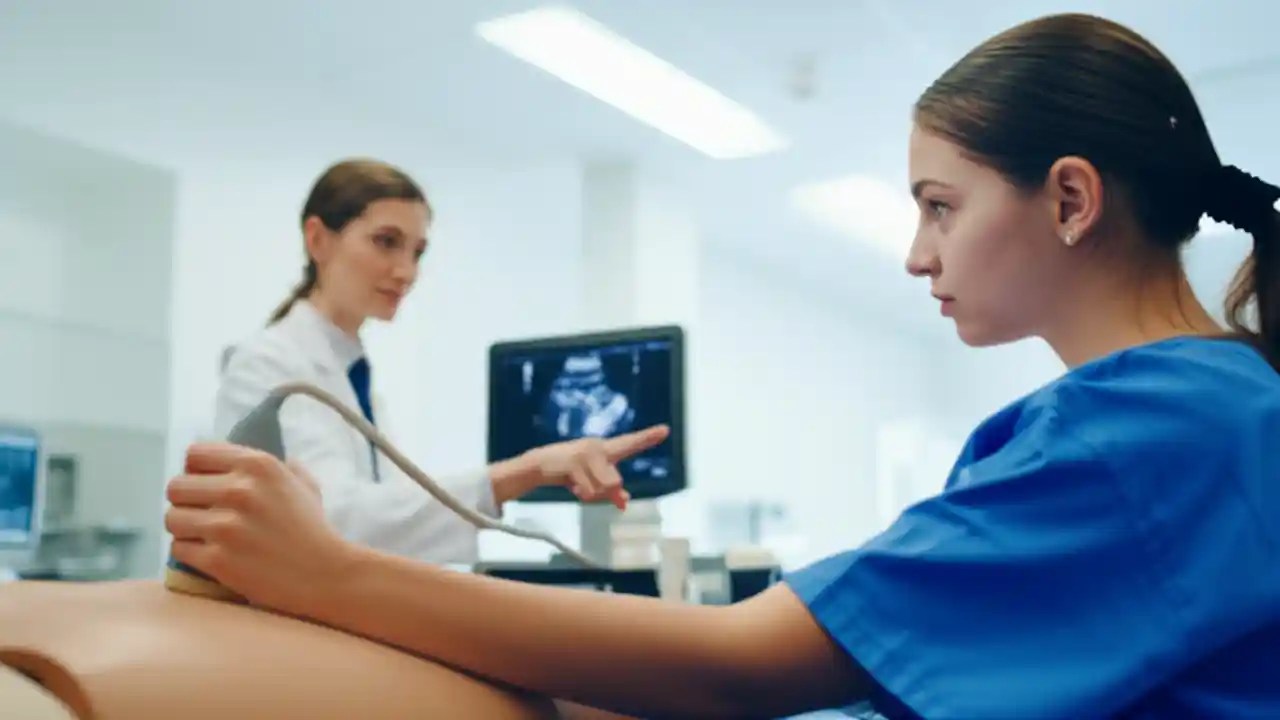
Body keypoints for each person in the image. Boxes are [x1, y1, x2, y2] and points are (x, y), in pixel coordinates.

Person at [168, 14, 1280, 719]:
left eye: (939, 206)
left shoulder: (1141, 432)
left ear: (1070, 200)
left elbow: (742, 664)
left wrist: (327, 575)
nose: (915, 253)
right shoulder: (1215, 406)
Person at [214, 158, 669, 564]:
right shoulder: (267, 364)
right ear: (318, 239)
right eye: (386, 242)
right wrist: (525, 471)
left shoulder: (351, 373)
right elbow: (335, 519)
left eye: (417, 252)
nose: (406, 272)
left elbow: (385, 522)